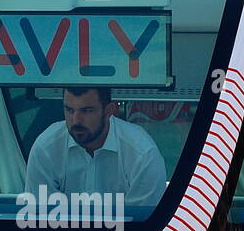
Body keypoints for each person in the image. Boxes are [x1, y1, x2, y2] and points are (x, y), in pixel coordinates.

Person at [24, 86, 167, 207]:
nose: (76, 121)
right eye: (69, 110)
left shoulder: (141, 153)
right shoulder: (46, 148)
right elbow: (40, 221)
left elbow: (143, 226)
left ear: (109, 110)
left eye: (87, 111)